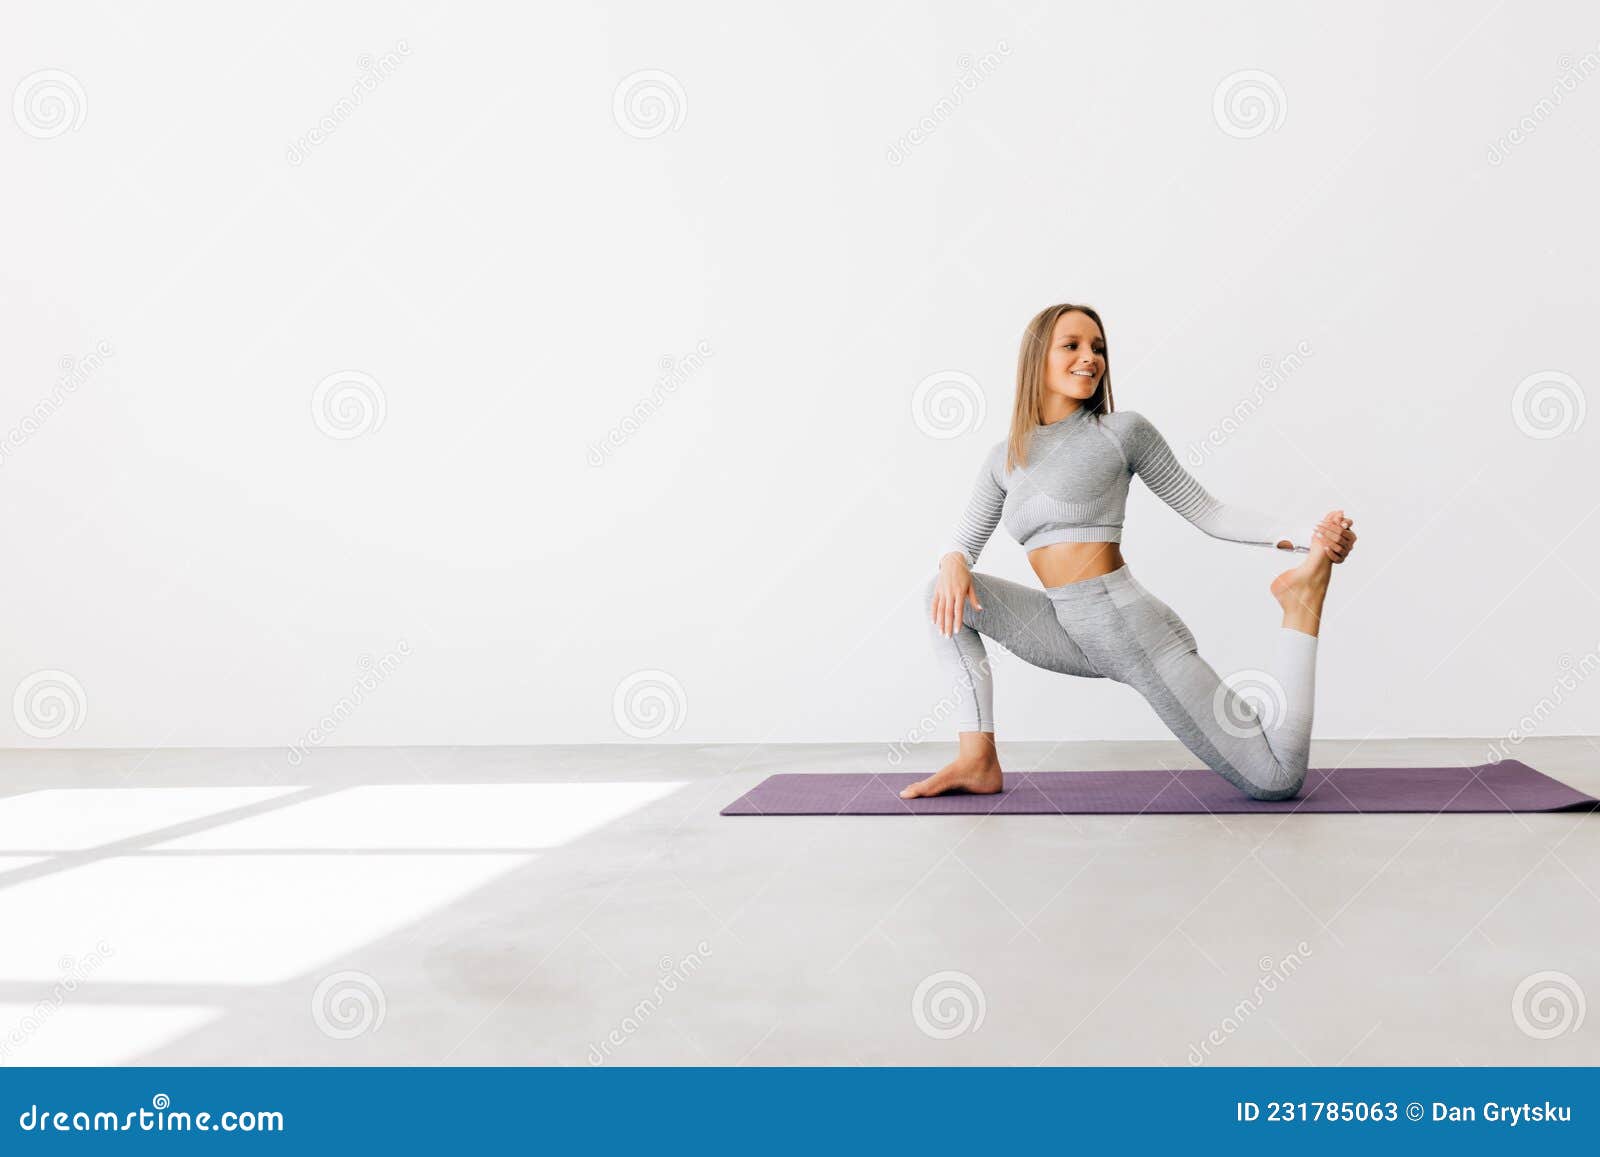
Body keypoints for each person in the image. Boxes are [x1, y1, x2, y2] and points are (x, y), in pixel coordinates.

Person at [906, 303, 1357, 801]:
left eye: (1097, 348)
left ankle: (1302, 603)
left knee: (1275, 780)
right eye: (1072, 345)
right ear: (1037, 358)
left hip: (1129, 629)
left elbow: (1209, 512)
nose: (1090, 358)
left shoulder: (1121, 433)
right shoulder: (1004, 458)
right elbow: (962, 543)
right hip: (1065, 625)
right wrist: (953, 561)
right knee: (939, 594)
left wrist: (1308, 535)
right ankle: (977, 759)